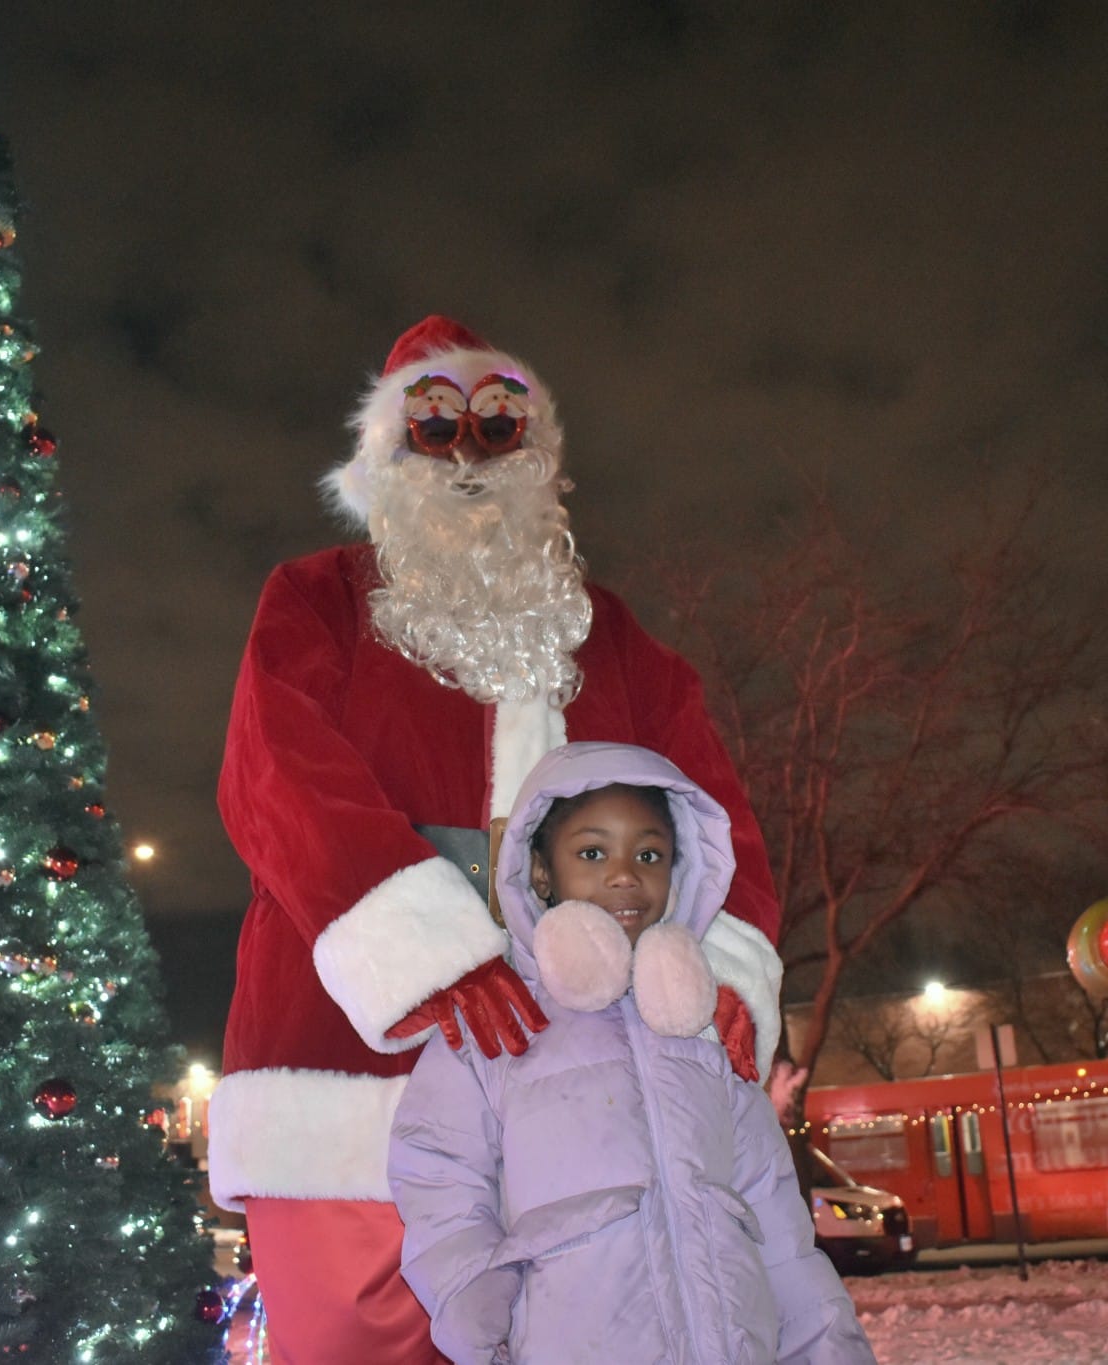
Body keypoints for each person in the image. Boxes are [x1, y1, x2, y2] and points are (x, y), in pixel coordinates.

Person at [208, 317, 785, 1364]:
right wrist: (423, 948)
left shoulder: (608, 634)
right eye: (435, 428)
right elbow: (277, 779)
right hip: (348, 1072)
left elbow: (710, 817)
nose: (469, 454)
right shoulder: (314, 602)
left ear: (539, 455)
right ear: (385, 454)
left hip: (575, 1081)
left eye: (498, 426)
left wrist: (726, 969)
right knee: (355, 1342)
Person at [390, 742, 876, 1364]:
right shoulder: (499, 1029)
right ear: (541, 871)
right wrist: (476, 1302)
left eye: (649, 854)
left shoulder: (702, 1033)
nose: (625, 874)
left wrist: (830, 1346)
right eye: (593, 853)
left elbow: (778, 1225)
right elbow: (438, 1171)